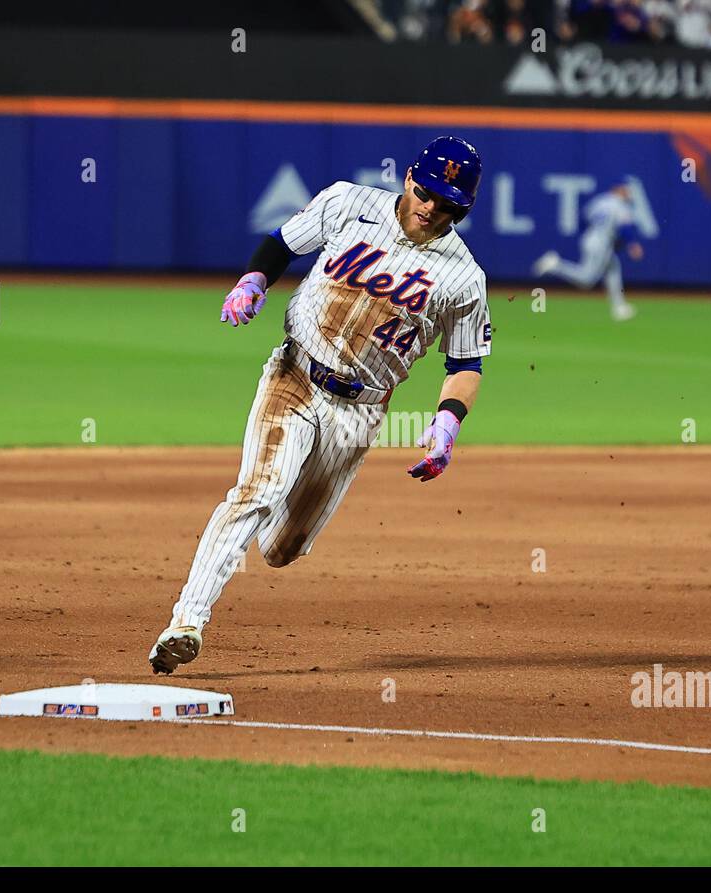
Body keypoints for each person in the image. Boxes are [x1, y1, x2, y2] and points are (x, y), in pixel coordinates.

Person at [149, 136, 492, 674]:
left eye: (448, 204)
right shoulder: (346, 204)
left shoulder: (464, 277)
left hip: (359, 413)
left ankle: (271, 517)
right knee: (255, 491)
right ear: (408, 177)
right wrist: (253, 279)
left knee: (281, 548)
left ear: (463, 210)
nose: (431, 208)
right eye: (426, 192)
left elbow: (466, 365)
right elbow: (282, 242)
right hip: (295, 374)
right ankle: (186, 623)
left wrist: (448, 423)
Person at [532, 179, 650, 321]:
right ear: (617, 190)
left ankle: (619, 307)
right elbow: (625, 228)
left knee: (613, 267)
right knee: (586, 280)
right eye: (625, 191)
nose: (627, 194)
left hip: (590, 239)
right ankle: (555, 265)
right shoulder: (619, 205)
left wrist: (592, 235)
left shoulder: (599, 201)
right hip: (602, 244)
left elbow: (583, 220)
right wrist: (632, 244)